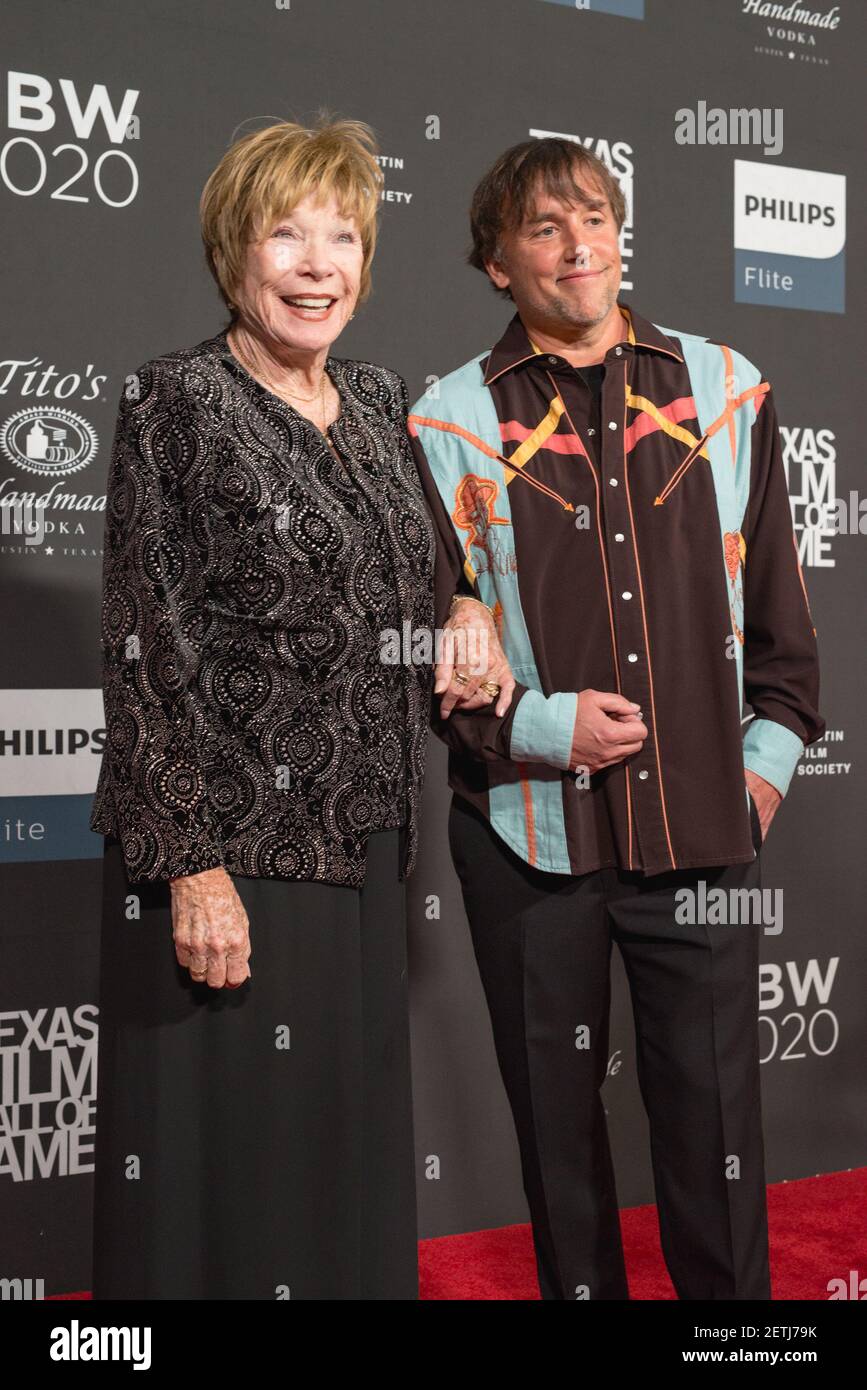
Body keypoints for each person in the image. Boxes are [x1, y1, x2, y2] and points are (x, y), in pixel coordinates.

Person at [88, 116, 504, 1300]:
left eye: (343, 236)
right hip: (234, 849)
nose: (319, 263)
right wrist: (188, 863)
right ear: (236, 251)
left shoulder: (383, 401)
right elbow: (143, 641)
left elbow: (432, 580)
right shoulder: (177, 399)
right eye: (289, 233)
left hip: (367, 843)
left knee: (339, 1170)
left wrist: (466, 605)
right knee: (222, 1184)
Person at [408, 137, 824, 1300]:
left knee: (720, 1153)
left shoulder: (730, 388)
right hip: (529, 843)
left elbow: (788, 640)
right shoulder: (441, 425)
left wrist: (755, 782)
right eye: (543, 227)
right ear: (497, 262)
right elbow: (434, 664)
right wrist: (547, 731)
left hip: (705, 836)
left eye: (593, 216)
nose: (577, 244)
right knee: (561, 1157)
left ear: (622, 230)